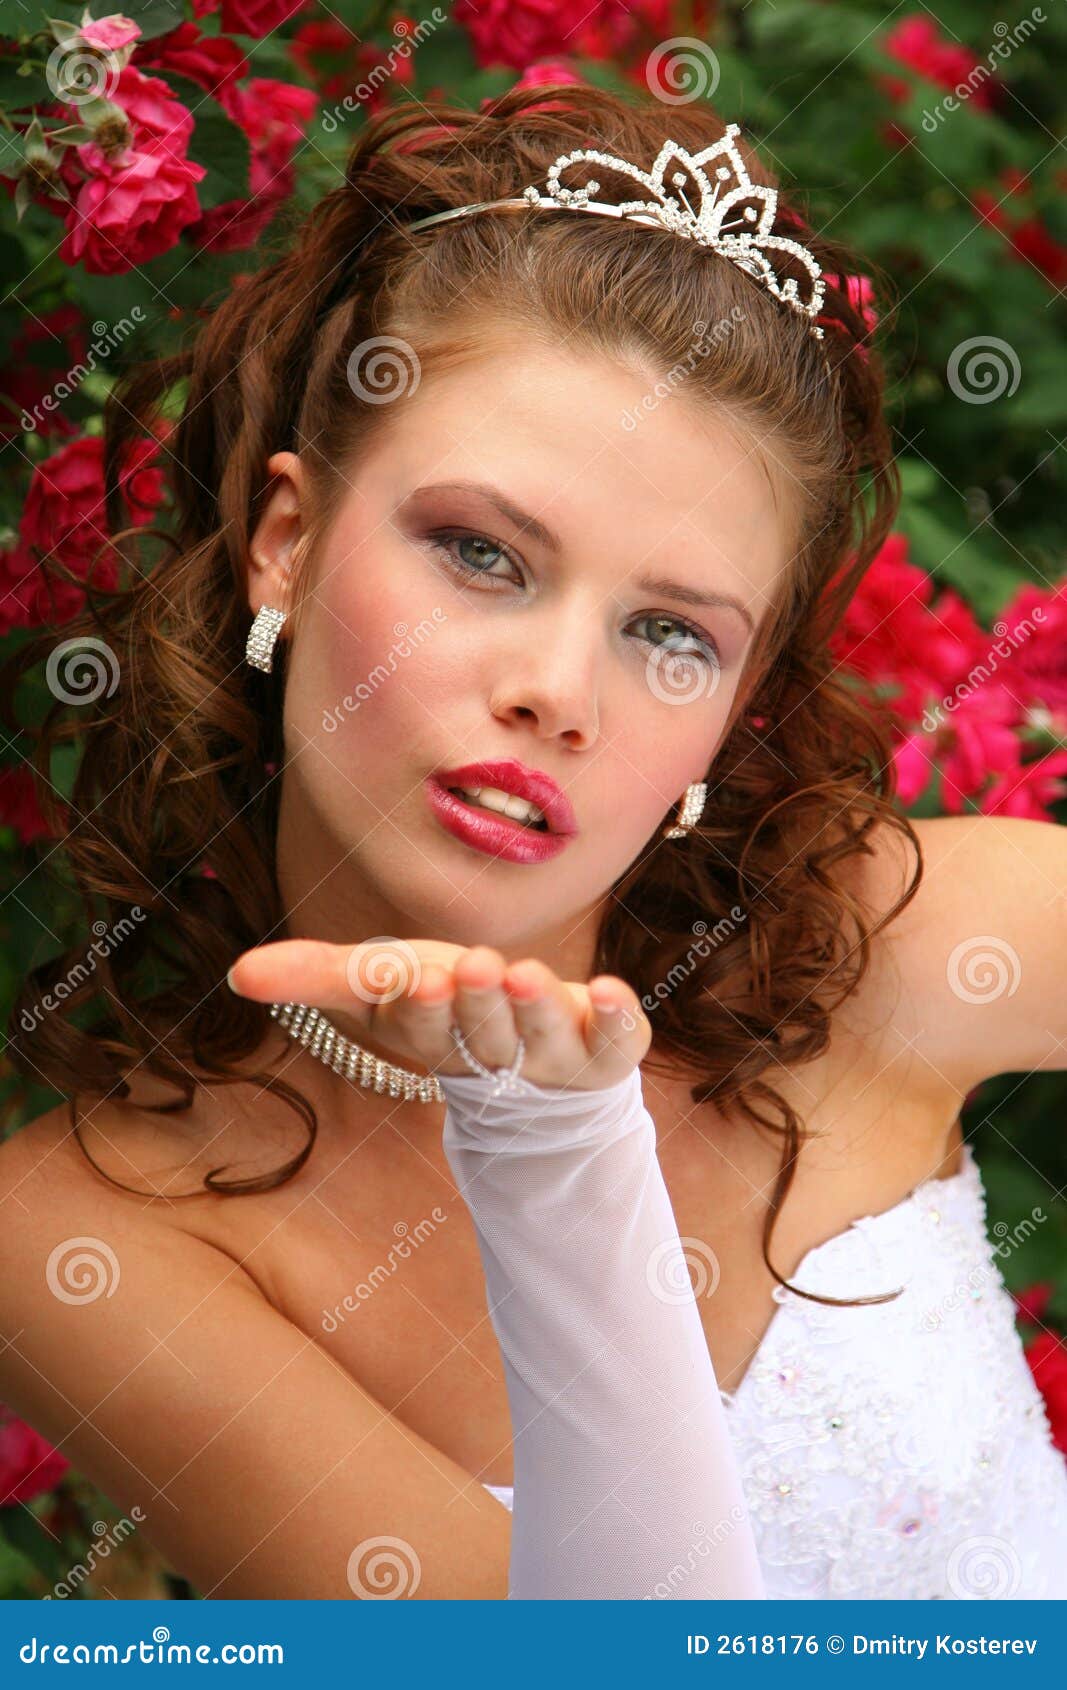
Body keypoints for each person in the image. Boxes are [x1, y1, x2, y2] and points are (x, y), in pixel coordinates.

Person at [0, 83, 1065, 1601]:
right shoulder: (86, 1234)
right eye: (482, 554)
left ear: (736, 703)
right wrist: (558, 1154)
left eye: (669, 632)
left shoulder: (895, 946)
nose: (557, 691)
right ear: (287, 541)